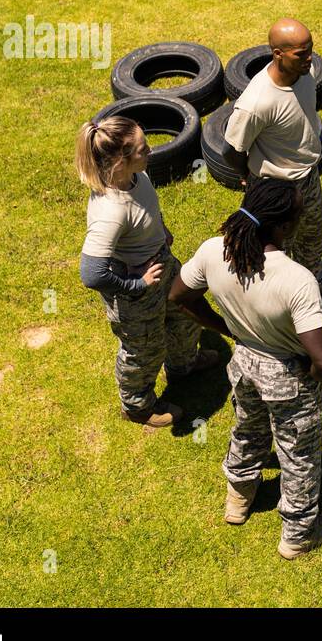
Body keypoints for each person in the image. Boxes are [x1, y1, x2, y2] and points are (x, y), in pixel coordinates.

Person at [169, 178, 322, 560]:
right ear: (283, 227)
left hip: (244, 364)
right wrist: (308, 378)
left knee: (247, 429)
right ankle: (298, 535)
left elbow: (178, 295)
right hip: (286, 376)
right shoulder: (296, 280)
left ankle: (238, 498)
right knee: (298, 455)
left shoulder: (213, 251)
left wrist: (224, 327)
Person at [75, 116, 217, 429]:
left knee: (185, 313)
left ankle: (183, 365)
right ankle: (137, 406)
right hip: (137, 295)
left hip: (161, 263)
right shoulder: (110, 212)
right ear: (118, 160)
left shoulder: (135, 176)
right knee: (144, 350)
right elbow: (91, 273)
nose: (150, 151)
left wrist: (161, 229)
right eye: (142, 149)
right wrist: (136, 284)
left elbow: (149, 206)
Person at [223, 18, 322, 301]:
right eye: (301, 53)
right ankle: (274, 302)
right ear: (278, 54)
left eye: (311, 49)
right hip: (273, 187)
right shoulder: (257, 102)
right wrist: (248, 176)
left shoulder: (305, 74)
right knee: (273, 250)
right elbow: (231, 150)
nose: (310, 58)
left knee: (312, 234)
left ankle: (315, 280)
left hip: (307, 176)